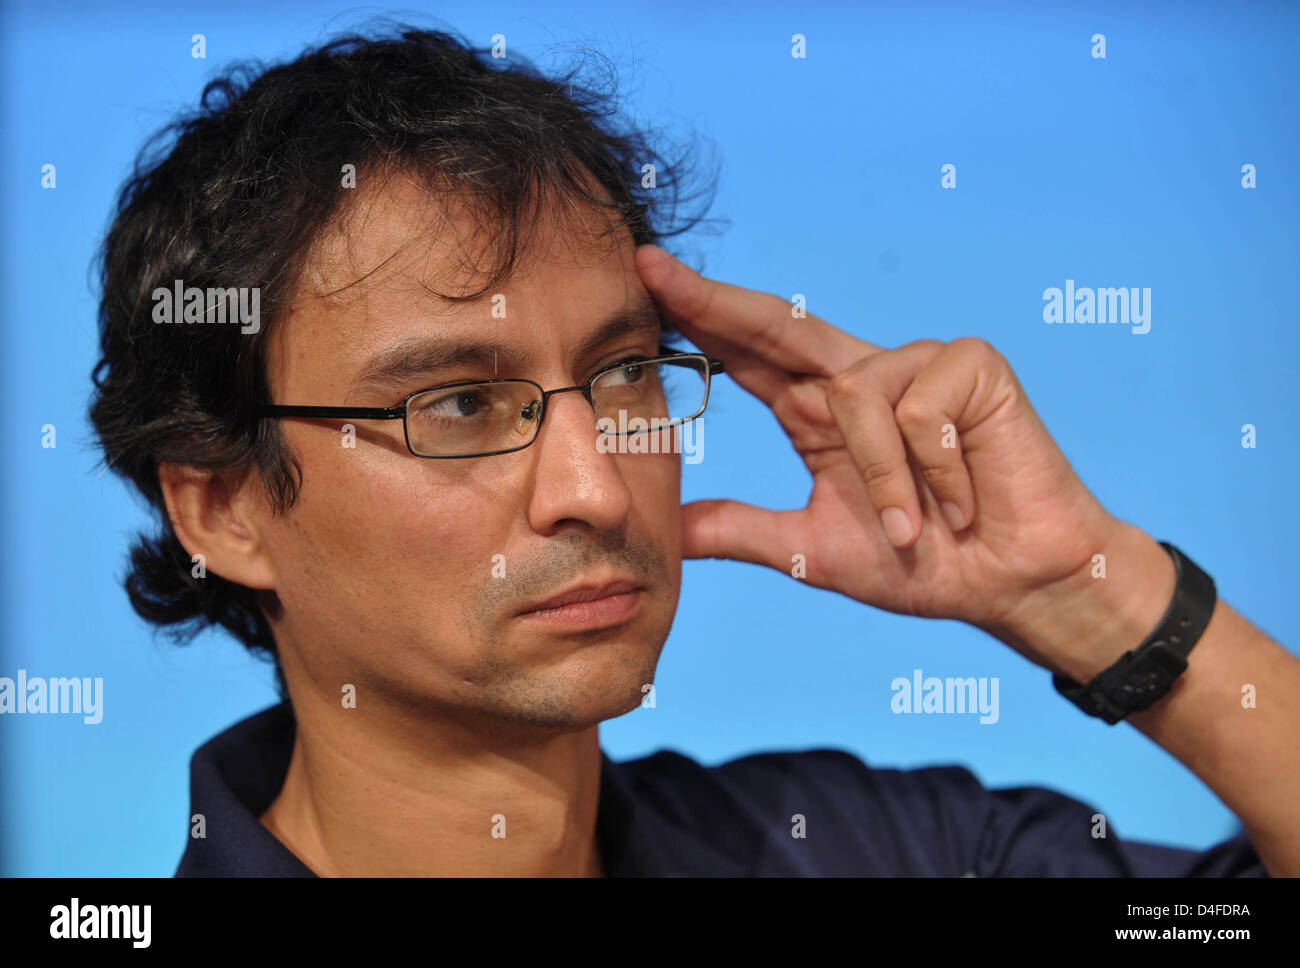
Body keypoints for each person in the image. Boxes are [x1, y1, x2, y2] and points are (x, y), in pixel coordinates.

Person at [88, 25, 1297, 877]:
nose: (595, 482)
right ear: (221, 507)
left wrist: (1089, 597)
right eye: (457, 403)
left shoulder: (878, 849)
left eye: (623, 374)